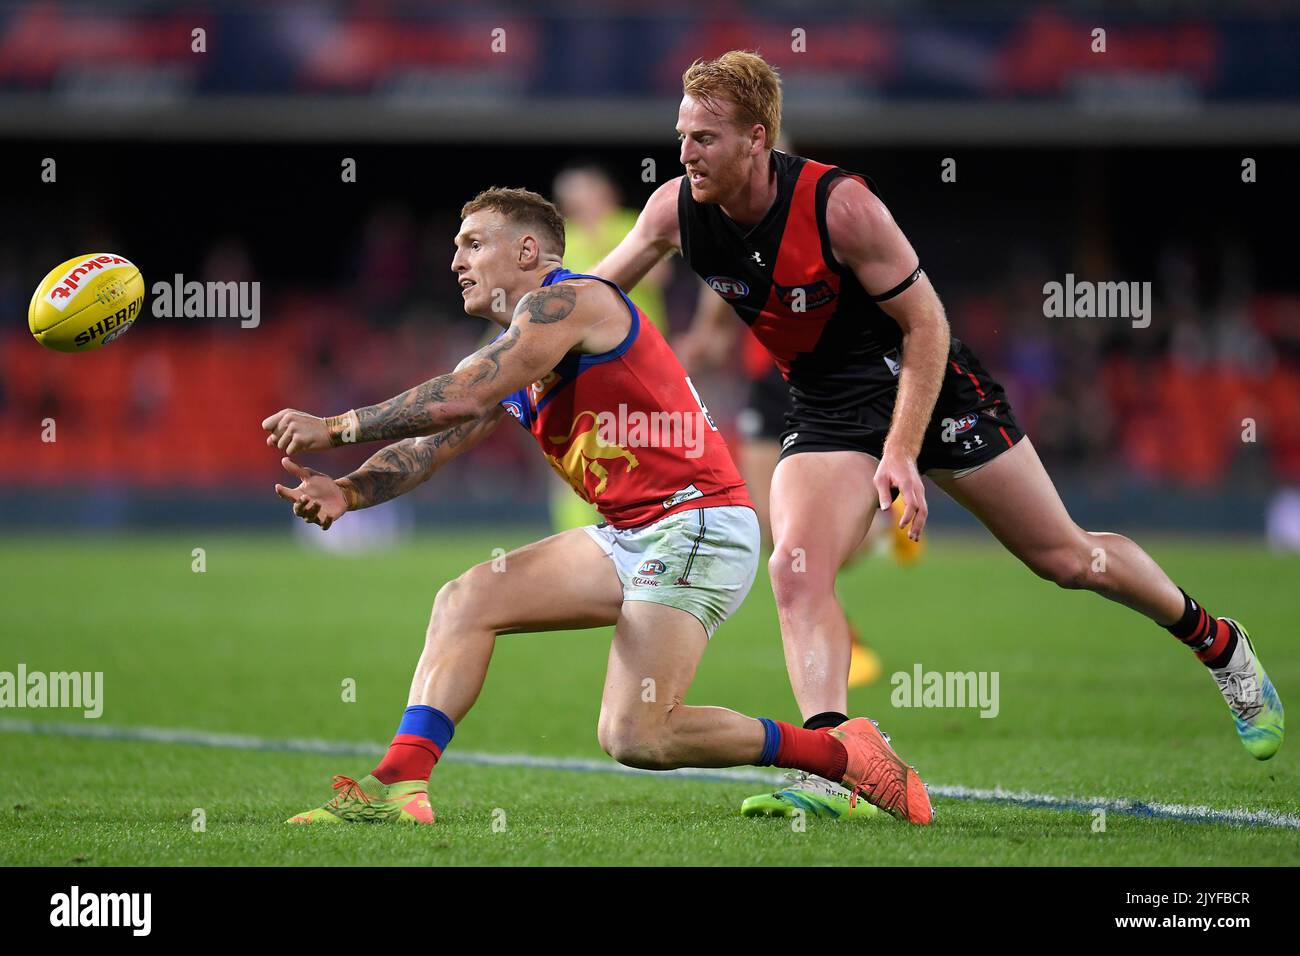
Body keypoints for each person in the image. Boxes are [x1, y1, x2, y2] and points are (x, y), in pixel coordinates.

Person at [592, 51, 1284, 820]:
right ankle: (836, 763)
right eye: (681, 135)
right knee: (794, 568)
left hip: (928, 378)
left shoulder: (838, 205)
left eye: (705, 138)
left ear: (758, 139)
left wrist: (899, 450)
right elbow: (592, 297)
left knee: (1065, 557)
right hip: (827, 402)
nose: (684, 153)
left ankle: (1218, 642)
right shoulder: (673, 212)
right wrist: (520, 342)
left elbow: (927, 322)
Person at [261, 186, 933, 826]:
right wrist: (348, 490)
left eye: (472, 244)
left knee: (636, 735)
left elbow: (462, 396)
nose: (455, 261)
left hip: (694, 521)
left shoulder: (574, 300)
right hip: (633, 532)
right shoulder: (516, 353)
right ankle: (399, 785)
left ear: (528, 252)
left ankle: (838, 752)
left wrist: (338, 425)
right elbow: (434, 444)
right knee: (466, 601)